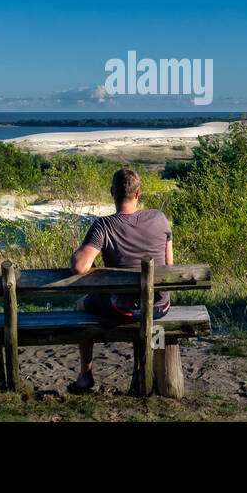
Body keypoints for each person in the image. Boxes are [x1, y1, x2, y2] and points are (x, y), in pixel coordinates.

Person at [66, 167, 173, 393]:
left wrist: (78, 252)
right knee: (147, 313)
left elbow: (79, 267)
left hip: (122, 308)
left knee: (81, 305)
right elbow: (169, 268)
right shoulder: (160, 218)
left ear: (112, 193)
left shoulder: (104, 226)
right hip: (160, 306)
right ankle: (140, 373)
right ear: (137, 193)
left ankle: (86, 376)